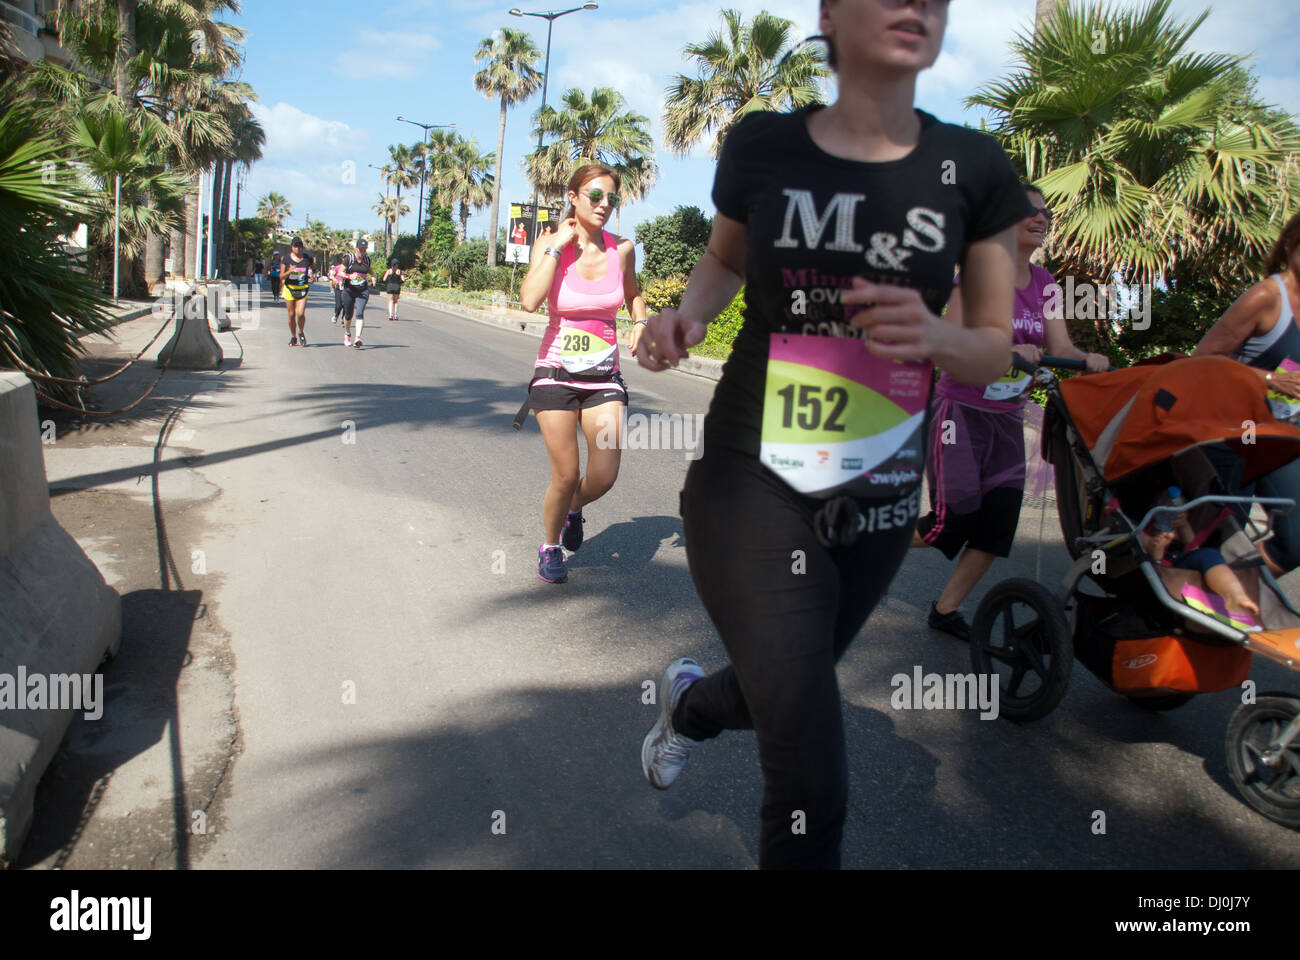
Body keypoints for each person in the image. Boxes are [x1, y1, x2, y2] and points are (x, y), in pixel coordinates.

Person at [635, 0, 1034, 869]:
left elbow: (992, 346)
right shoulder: (763, 145)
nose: (916, 4)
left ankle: (690, 707)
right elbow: (727, 259)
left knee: (789, 688)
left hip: (881, 488)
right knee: (812, 771)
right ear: (828, 13)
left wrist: (934, 336)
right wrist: (687, 318)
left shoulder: (975, 169)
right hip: (754, 471)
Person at [912, 183, 1109, 640]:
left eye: (1046, 213)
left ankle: (946, 609)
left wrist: (1088, 361)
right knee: (950, 522)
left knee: (996, 526)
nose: (1042, 219)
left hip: (1006, 419)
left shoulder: (1047, 284)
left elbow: (1060, 346)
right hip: (958, 415)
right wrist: (1005, 346)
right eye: (1030, 212)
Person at [518, 163, 647, 584]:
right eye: (595, 195)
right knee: (567, 473)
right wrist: (558, 245)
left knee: (605, 475)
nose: (604, 205)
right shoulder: (548, 243)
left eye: (612, 198)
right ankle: (550, 546)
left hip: (604, 377)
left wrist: (640, 321)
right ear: (573, 197)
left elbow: (632, 293)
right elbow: (529, 301)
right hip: (555, 373)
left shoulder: (621, 249)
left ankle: (573, 509)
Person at [1193, 211, 1300, 575]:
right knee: (1218, 536)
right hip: (1233, 433)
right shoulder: (1266, 297)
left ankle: (1231, 598)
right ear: (1290, 243)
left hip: (1282, 436)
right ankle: (1202, 607)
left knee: (1295, 541)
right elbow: (1201, 360)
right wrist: (1270, 379)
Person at [1138, 488, 1261, 620]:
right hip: (1155, 563)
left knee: (1208, 555)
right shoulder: (1144, 525)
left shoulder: (1178, 528)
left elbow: (1192, 547)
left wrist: (1183, 525)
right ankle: (1155, 553)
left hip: (1182, 563)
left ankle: (1234, 594)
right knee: (1144, 541)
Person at [340, 239, 373, 348]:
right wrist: (349, 276)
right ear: (356, 248)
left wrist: (374, 277)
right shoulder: (349, 259)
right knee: (348, 315)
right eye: (360, 250)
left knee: (359, 313)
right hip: (349, 290)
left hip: (362, 291)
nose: (362, 252)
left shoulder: (367, 260)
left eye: (364, 250)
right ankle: (347, 333)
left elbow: (371, 271)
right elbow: (340, 272)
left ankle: (357, 338)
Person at [281, 237, 315, 346]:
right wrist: (289, 271)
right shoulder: (286, 259)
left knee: (300, 314)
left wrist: (313, 277)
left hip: (302, 289)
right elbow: (281, 276)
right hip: (290, 288)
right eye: (295, 246)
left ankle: (300, 332)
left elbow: (314, 269)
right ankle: (293, 336)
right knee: (291, 315)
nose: (298, 248)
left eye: (300, 246)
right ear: (291, 247)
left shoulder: (307, 258)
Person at [383, 256, 403, 320]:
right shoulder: (399, 271)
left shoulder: (389, 271)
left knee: (390, 301)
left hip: (390, 286)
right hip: (397, 287)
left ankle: (390, 315)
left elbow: (384, 279)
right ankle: (395, 315)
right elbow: (403, 279)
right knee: (396, 302)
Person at [328, 254, 345, 324]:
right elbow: (332, 275)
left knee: (346, 305)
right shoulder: (338, 267)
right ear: (342, 259)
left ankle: (344, 319)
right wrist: (334, 279)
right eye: (344, 258)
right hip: (339, 288)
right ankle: (336, 315)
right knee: (339, 305)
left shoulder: (351, 268)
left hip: (347, 289)